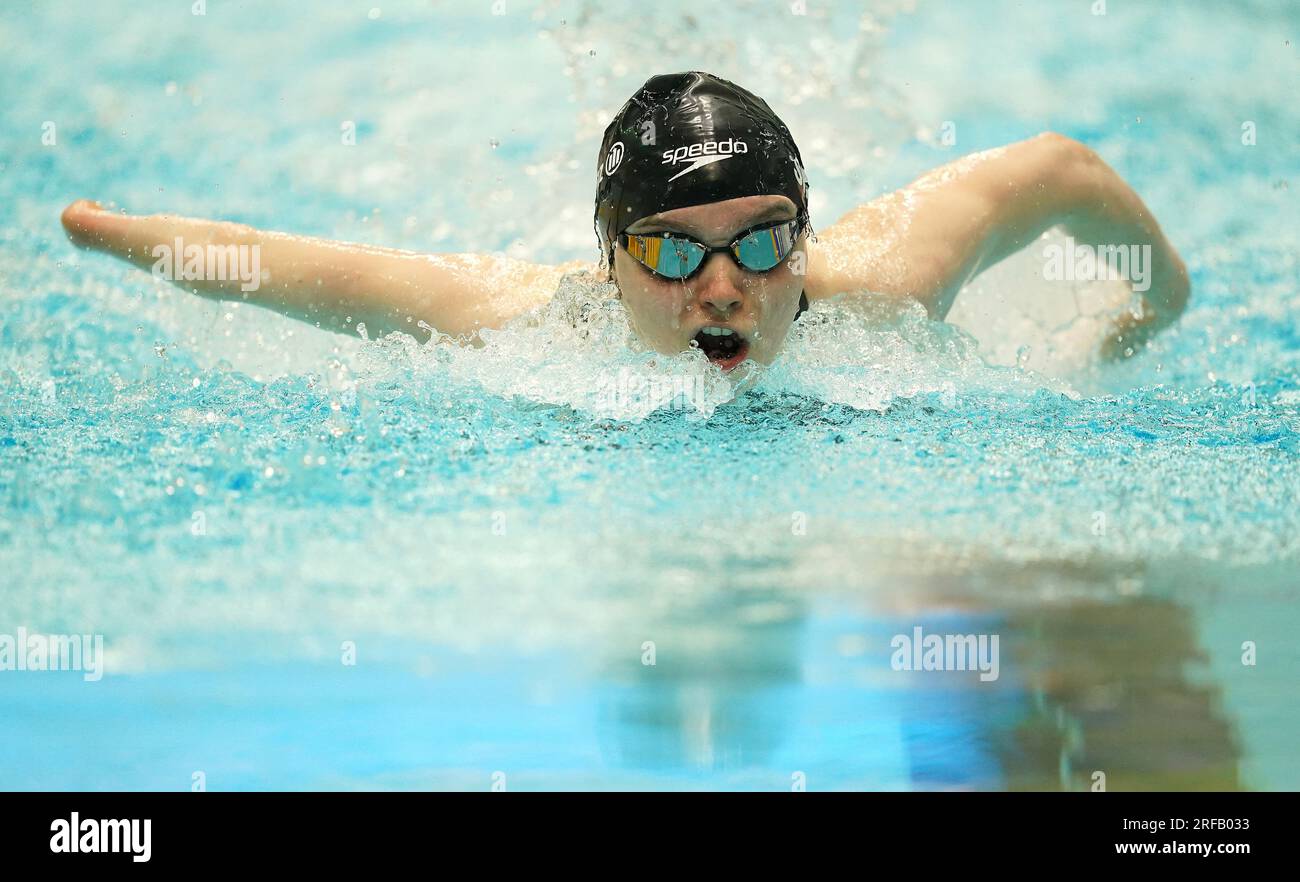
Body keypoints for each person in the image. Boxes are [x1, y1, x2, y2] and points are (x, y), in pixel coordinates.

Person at [60, 71, 1189, 371]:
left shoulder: (887, 286)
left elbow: (1058, 164)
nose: (722, 287)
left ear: (804, 233)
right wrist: (114, 234)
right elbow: (300, 269)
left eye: (762, 237)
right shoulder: (532, 326)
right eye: (664, 250)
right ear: (607, 262)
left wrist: (1154, 307)